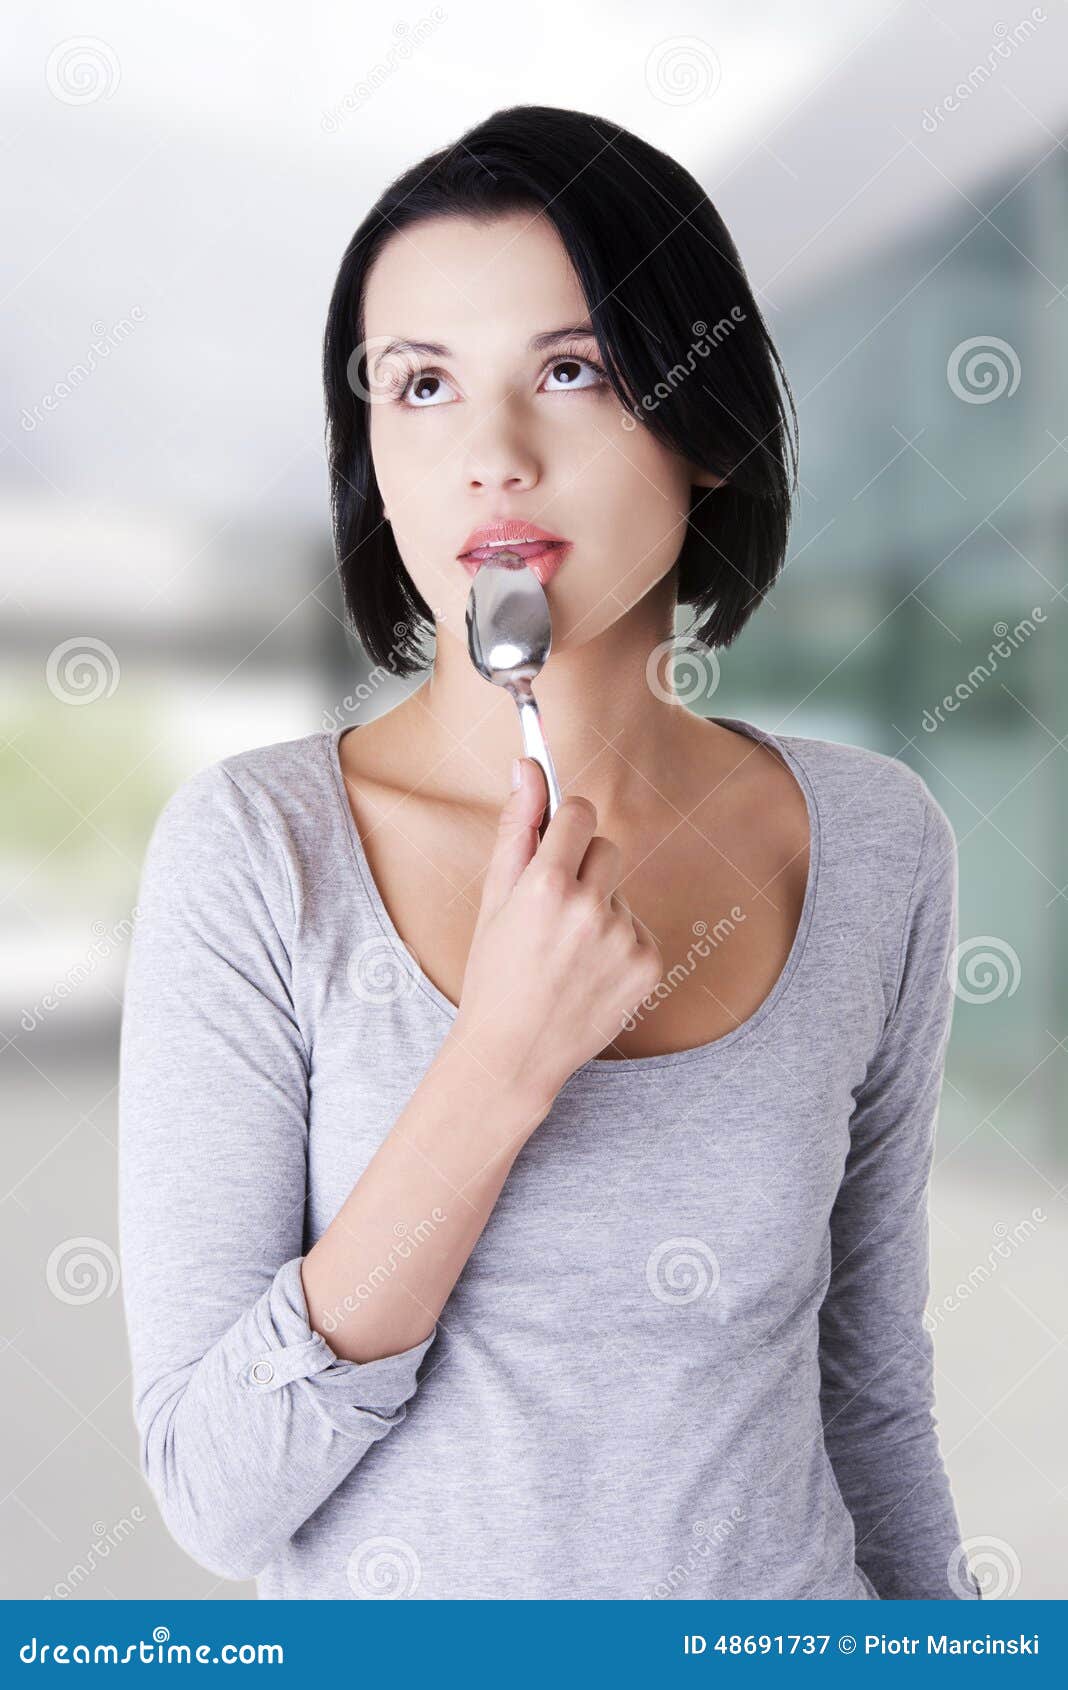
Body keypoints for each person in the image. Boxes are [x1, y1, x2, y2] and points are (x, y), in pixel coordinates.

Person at [118, 104, 978, 1601]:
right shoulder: (258, 856)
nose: (491, 458)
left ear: (704, 428)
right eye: (424, 385)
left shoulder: (878, 841)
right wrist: (499, 1064)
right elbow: (217, 1491)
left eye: (570, 371)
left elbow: (873, 1392)